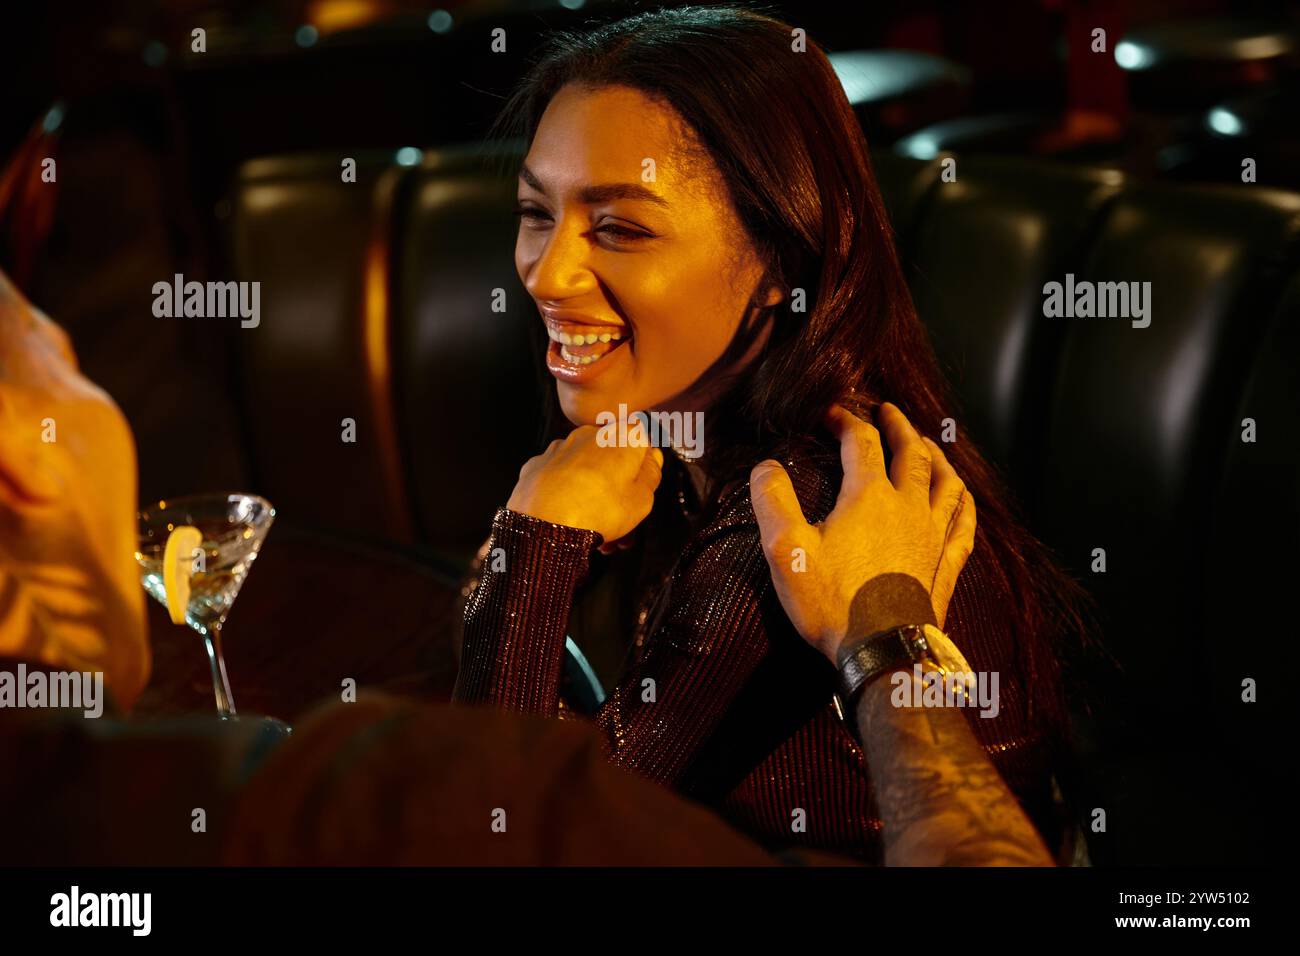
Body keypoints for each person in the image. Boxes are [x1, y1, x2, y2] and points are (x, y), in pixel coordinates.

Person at [453, 5, 1089, 862]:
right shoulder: (705, 440)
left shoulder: (791, 510)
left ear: (781, 258)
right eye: (537, 212)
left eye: (618, 227)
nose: (547, 271)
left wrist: (532, 542)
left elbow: (501, 837)